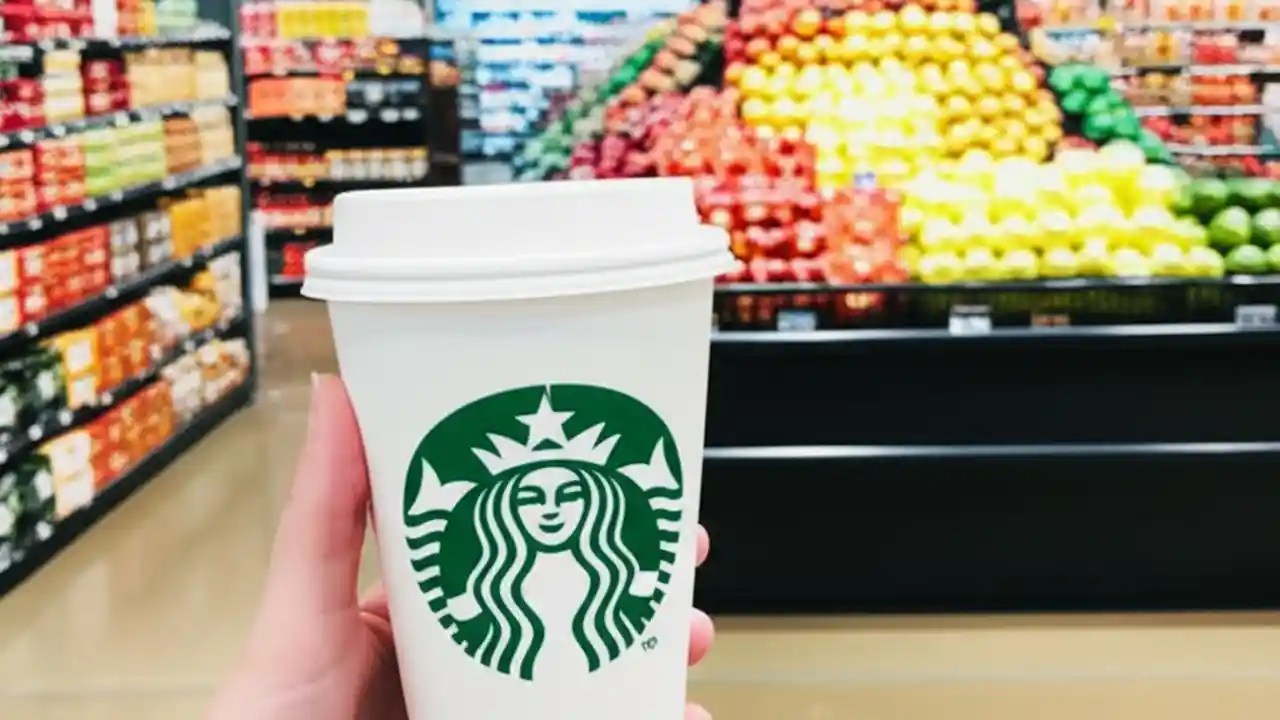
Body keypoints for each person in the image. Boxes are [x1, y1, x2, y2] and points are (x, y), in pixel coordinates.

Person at [208, 374, 716, 720]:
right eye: (531, 497)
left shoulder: (613, 586)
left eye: (570, 493)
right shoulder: (491, 599)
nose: (551, 510)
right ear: (501, 510)